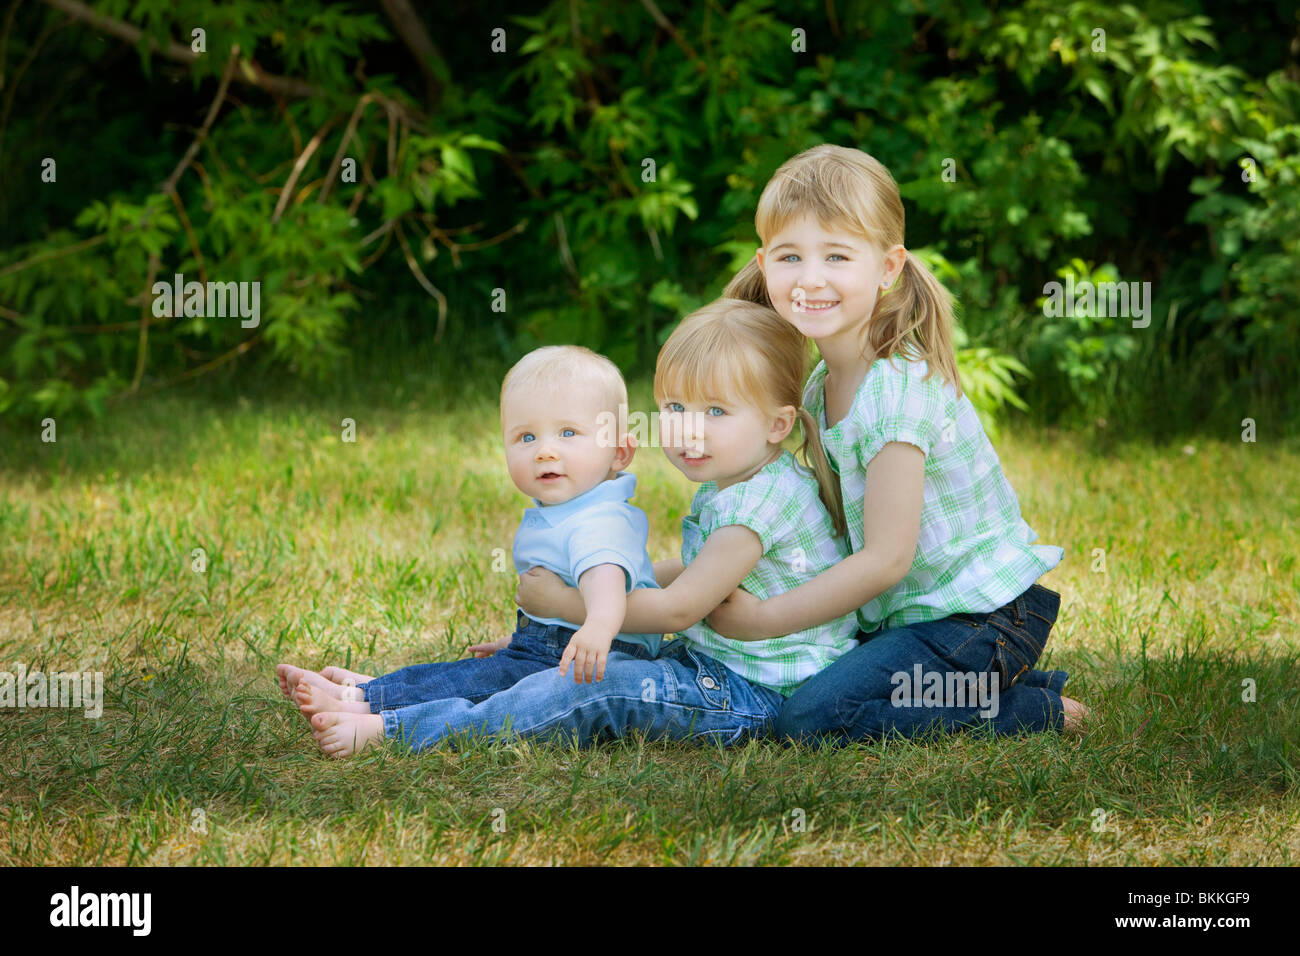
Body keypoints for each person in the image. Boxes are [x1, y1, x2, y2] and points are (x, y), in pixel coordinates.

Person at [306, 299, 861, 756]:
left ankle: (395, 731)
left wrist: (568, 605)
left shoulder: (757, 504)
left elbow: (677, 609)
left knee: (590, 690)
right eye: (674, 406)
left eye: (716, 412)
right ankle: (384, 697)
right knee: (566, 666)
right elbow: (691, 572)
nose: (689, 429)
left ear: (776, 424)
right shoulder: (743, 480)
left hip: (748, 694)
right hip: (707, 667)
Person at [707, 143, 1088, 741]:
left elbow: (887, 559)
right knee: (817, 674)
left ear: (888, 268)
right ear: (763, 263)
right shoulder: (817, 388)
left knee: (809, 718)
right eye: (789, 257)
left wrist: (764, 619)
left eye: (837, 256)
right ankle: (986, 684)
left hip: (981, 618)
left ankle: (1022, 710)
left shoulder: (894, 391)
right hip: (915, 618)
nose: (810, 279)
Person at [275, 345, 664, 721]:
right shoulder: (573, 507)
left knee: (486, 684)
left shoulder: (600, 520)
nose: (544, 451)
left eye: (567, 433)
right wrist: (524, 641)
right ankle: (371, 688)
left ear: (619, 452)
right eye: (527, 438)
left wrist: (597, 627)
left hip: (596, 656)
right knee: (473, 675)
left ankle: (362, 702)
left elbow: (606, 582)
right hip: (560, 645)